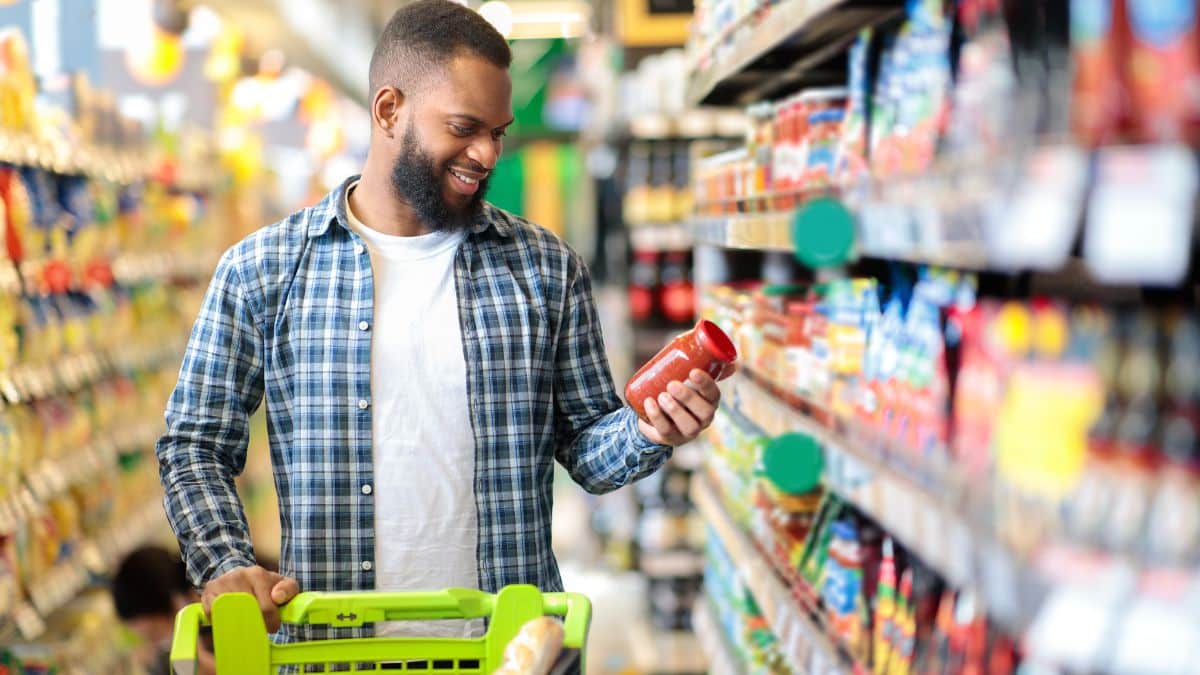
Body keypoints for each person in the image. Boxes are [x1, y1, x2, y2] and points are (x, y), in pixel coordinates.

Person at [156, 0, 724, 646]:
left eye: (498, 131)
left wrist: (650, 427)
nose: (486, 154)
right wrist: (224, 559)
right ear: (389, 110)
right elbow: (194, 441)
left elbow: (589, 452)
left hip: (508, 652)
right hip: (336, 655)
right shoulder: (263, 270)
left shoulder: (544, 269)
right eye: (464, 126)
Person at [110, 546, 215, 675]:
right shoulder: (169, 660)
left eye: (153, 634)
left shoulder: (219, 619)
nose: (155, 646)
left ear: (174, 602)